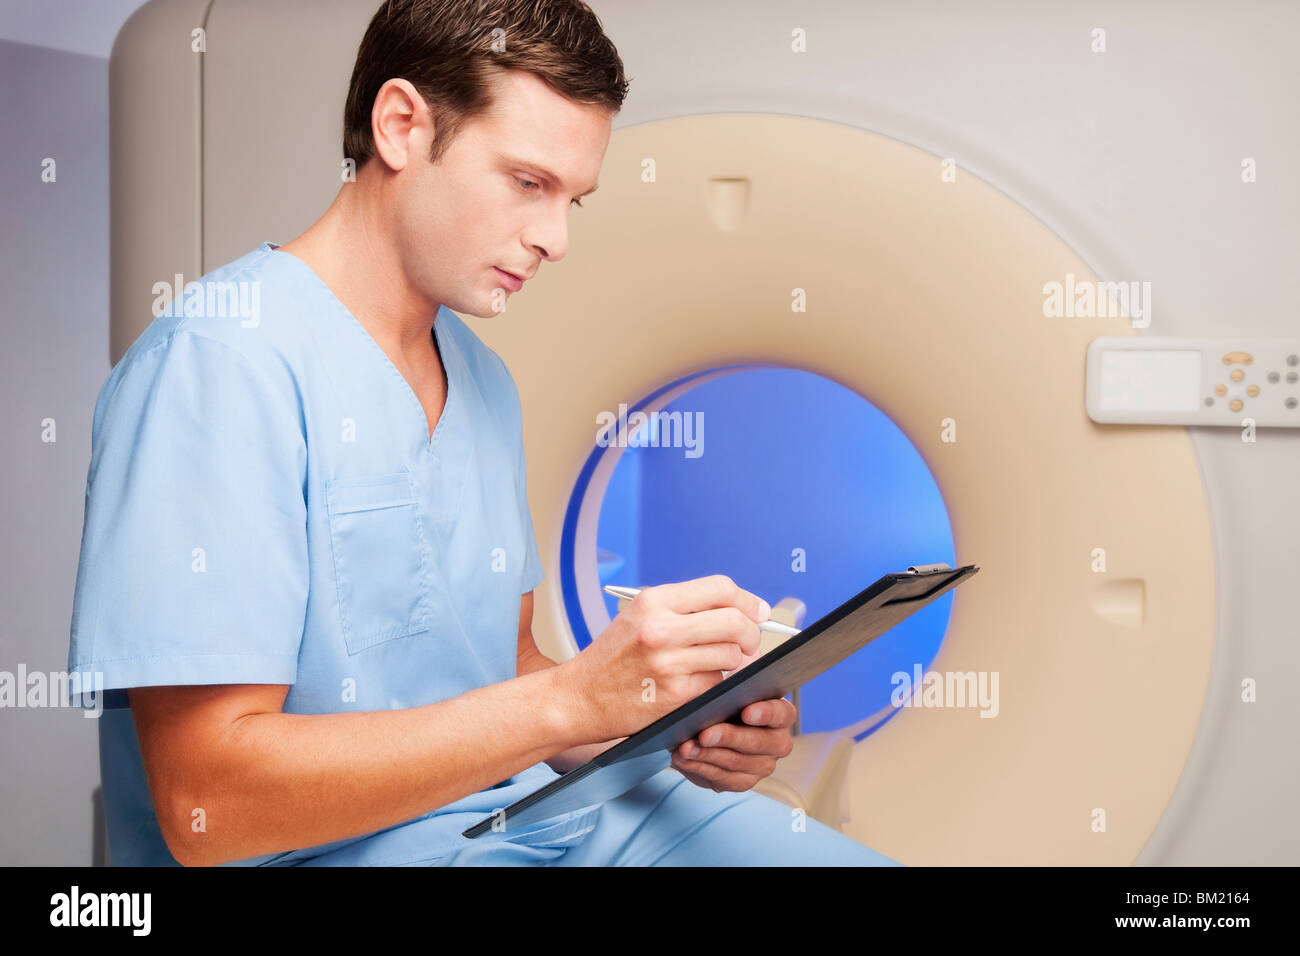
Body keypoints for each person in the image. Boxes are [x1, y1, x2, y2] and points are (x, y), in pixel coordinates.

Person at [67, 0, 899, 867]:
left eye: (574, 197)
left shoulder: (481, 381)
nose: (556, 237)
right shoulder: (219, 366)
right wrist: (570, 703)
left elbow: (505, 671)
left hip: (526, 814)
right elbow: (209, 801)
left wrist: (671, 717)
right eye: (528, 182)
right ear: (400, 126)